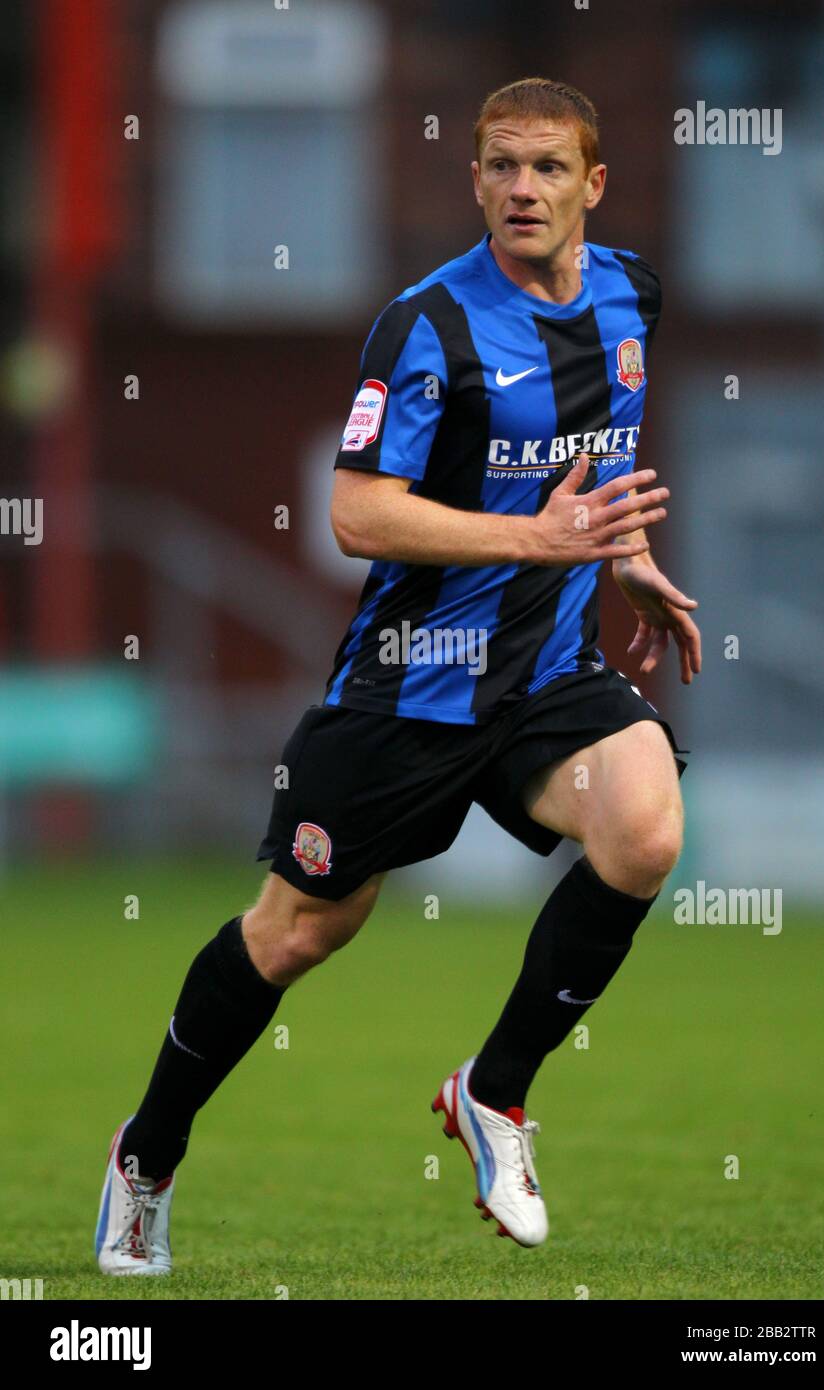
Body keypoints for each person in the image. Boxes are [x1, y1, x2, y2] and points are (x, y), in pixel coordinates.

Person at [95, 76, 701, 1272]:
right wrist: (543, 539)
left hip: (543, 673)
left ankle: (495, 1093)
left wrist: (621, 557)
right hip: (410, 682)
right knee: (300, 932)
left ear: (592, 184)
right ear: (471, 177)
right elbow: (358, 516)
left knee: (642, 827)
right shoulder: (425, 324)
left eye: (544, 168)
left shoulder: (630, 295)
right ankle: (145, 1156)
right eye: (497, 167)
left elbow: (593, 461)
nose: (519, 189)